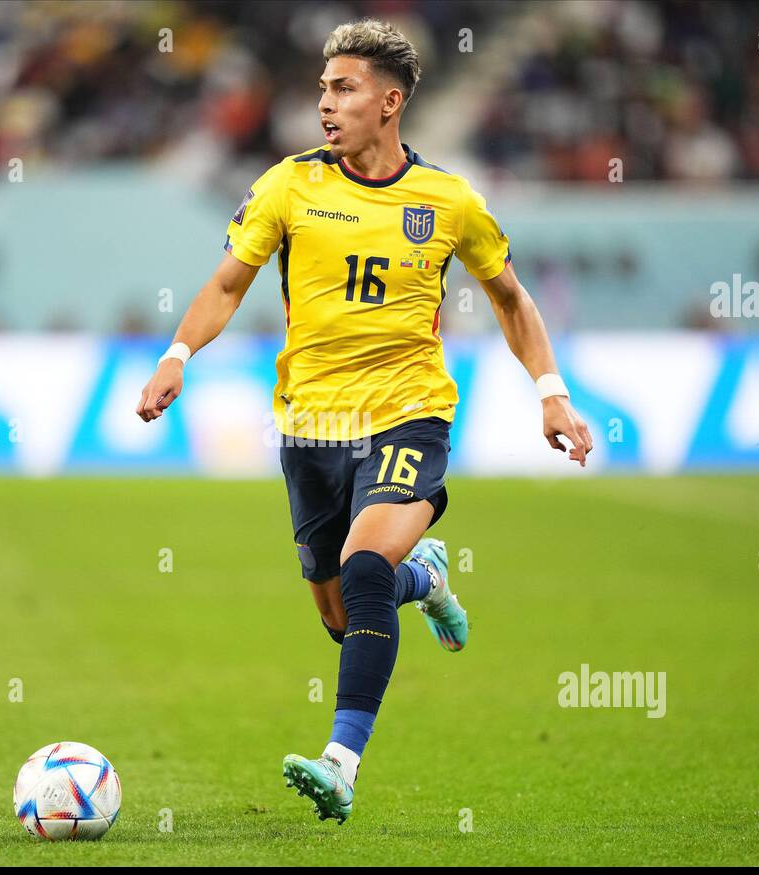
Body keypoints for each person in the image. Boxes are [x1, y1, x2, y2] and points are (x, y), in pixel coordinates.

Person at [135, 18, 592, 824]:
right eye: (321, 88)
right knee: (342, 614)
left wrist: (551, 390)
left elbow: (512, 299)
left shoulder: (449, 201)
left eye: (342, 89)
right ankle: (429, 576)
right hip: (312, 427)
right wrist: (177, 354)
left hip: (408, 414)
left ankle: (341, 764)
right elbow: (227, 285)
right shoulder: (288, 185)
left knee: (365, 568)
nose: (324, 103)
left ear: (391, 101)